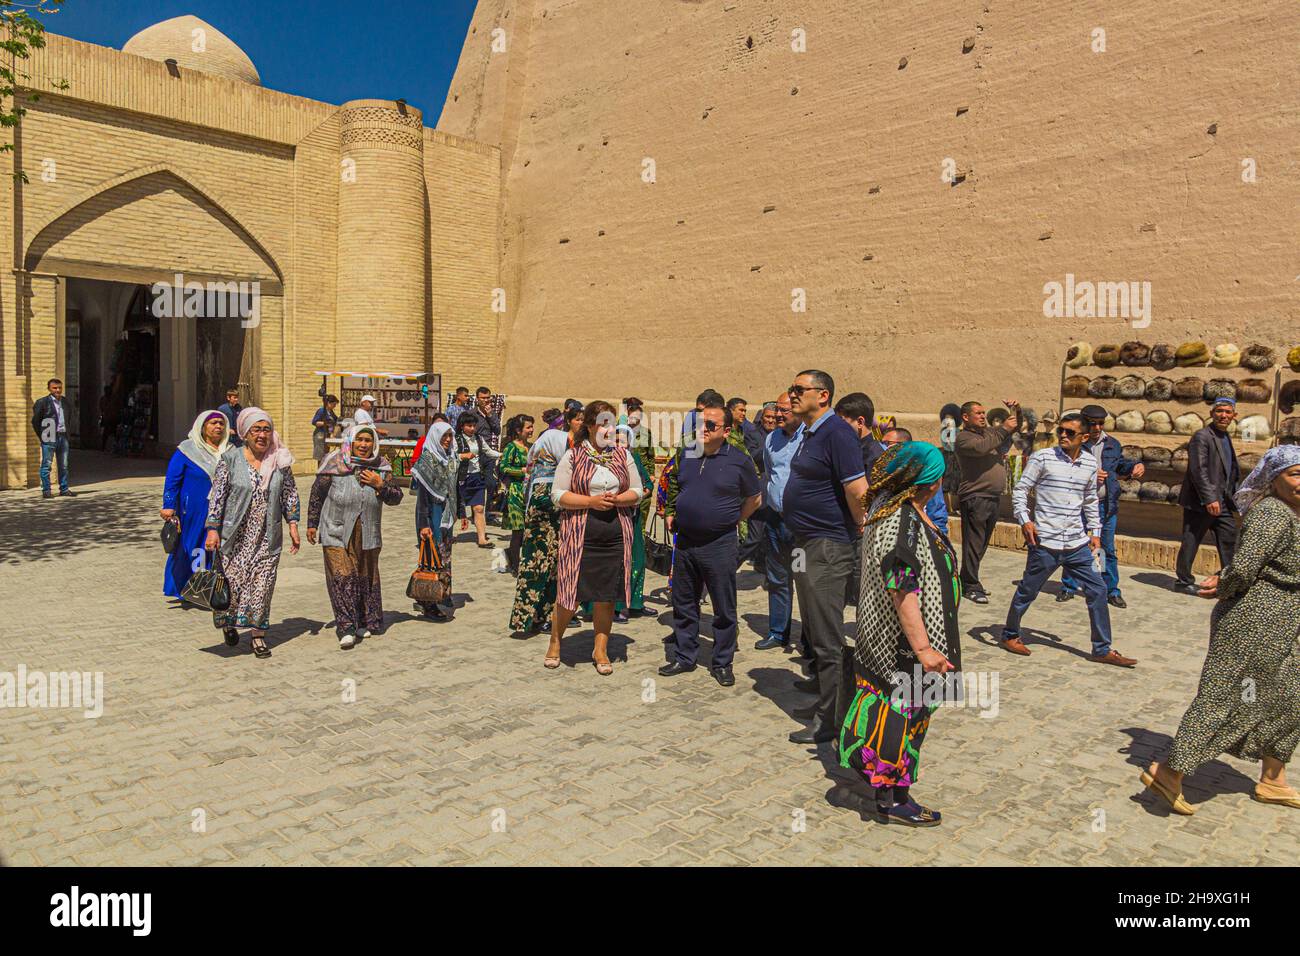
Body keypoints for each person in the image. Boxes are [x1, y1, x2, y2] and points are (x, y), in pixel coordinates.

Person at [1142, 445, 1300, 815]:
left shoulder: (1295, 513)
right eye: (1295, 474)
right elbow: (1243, 568)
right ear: (1273, 480)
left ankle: (1273, 780)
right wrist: (1223, 584)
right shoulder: (1272, 514)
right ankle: (1169, 771)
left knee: (1291, 696)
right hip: (1256, 617)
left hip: (1288, 619)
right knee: (1230, 694)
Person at [841, 442, 959, 827]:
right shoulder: (902, 521)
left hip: (893, 644)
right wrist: (923, 647)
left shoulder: (890, 507)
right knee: (899, 724)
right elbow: (900, 583)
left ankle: (890, 794)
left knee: (898, 721)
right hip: (901, 649)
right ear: (929, 481)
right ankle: (894, 800)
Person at [998, 413, 1137, 667]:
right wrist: (1024, 520)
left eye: (1069, 433)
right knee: (1028, 591)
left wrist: (1095, 532)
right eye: (1061, 431)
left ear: (1084, 437)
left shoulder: (1088, 464)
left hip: (1077, 544)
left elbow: (1090, 501)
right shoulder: (1043, 458)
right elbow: (1020, 490)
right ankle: (1010, 634)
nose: (1063, 435)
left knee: (1098, 589)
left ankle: (1102, 648)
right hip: (1046, 542)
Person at [784, 370, 870, 745]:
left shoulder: (837, 433)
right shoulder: (810, 433)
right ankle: (825, 700)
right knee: (813, 628)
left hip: (827, 546)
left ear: (823, 395)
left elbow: (857, 489)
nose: (792, 395)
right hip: (803, 545)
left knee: (827, 637)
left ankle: (833, 719)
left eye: (799, 390)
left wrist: (861, 528)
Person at [658, 403, 762, 685]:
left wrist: (731, 519)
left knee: (724, 606)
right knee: (684, 602)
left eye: (711, 426)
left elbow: (755, 498)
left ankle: (722, 662)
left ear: (727, 431)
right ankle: (684, 656)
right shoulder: (688, 453)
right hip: (686, 542)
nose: (703, 430)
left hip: (719, 544)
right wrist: (671, 510)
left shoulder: (739, 460)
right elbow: (674, 483)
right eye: (700, 424)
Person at [547, 401, 645, 674]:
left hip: (614, 536)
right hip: (581, 535)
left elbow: (638, 491)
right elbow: (557, 495)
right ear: (590, 426)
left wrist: (618, 498)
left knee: (606, 595)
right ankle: (556, 642)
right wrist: (590, 501)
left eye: (611, 423)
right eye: (603, 423)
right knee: (570, 592)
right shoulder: (574, 456)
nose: (608, 428)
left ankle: (600, 649)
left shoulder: (623, 455)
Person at [204, 408, 300, 659]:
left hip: (268, 536)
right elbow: (217, 496)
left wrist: (293, 523)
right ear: (245, 433)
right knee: (233, 586)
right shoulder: (230, 459)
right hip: (235, 536)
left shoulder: (280, 460)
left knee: (263, 585)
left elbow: (289, 492)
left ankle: (258, 636)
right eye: (256, 429)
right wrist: (212, 529)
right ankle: (229, 623)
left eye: (266, 429)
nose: (262, 435)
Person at [307, 425, 403, 648]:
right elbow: (317, 494)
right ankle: (346, 626)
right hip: (335, 530)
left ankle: (362, 620)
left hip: (367, 531)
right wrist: (312, 524)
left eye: (368, 440)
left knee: (364, 576)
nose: (363, 445)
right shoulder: (334, 463)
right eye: (359, 440)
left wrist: (380, 485)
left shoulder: (381, 467)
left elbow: (396, 498)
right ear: (350, 441)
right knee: (343, 576)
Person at [1059, 404, 1143, 607]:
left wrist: (1134, 467)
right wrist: (1090, 473)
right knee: (1074, 546)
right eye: (1092, 423)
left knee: (1106, 549)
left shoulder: (1112, 443)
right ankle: (1069, 586)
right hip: (1079, 505)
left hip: (1106, 504)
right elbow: (1063, 468)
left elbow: (1118, 465)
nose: (1097, 427)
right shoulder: (1074, 441)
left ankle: (1109, 589)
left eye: (1100, 423)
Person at [953, 399, 1020, 603]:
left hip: (992, 497)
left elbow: (1013, 426)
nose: (983, 416)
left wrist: (1016, 410)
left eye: (984, 413)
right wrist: (1002, 430)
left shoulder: (990, 433)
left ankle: (968, 578)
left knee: (981, 544)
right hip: (975, 497)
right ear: (966, 417)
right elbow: (982, 448)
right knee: (973, 543)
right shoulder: (963, 438)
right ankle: (971, 585)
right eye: (979, 413)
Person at [1174, 397, 1241, 595]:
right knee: (1191, 540)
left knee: (1229, 539)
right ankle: (1183, 581)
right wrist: (1209, 498)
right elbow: (1198, 470)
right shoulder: (1202, 436)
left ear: (1234, 416)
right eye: (1219, 411)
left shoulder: (1225, 437)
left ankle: (1230, 581)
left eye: (1228, 412)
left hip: (1223, 502)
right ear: (1212, 414)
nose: (1223, 415)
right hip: (1203, 502)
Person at [509, 421, 570, 634]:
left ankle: (544, 617)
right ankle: (526, 620)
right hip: (539, 539)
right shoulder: (544, 476)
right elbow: (544, 502)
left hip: (552, 536)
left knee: (551, 575)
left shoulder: (551, 471)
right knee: (536, 576)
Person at [161, 411, 230, 598]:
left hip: (223, 511)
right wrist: (168, 505)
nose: (218, 427)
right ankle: (191, 589)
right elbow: (172, 480)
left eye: (221, 423)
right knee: (193, 548)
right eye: (213, 423)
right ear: (202, 426)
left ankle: (217, 590)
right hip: (193, 511)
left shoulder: (230, 450)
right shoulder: (187, 450)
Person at [755, 391, 804, 651]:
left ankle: (809, 638)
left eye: (784, 410)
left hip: (800, 526)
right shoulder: (772, 438)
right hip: (774, 521)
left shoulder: (810, 438)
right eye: (777, 410)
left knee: (804, 578)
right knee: (777, 577)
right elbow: (769, 473)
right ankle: (778, 631)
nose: (778, 415)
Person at [837, 391, 886, 607]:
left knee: (861, 588)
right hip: (846, 528)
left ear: (860, 422)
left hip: (863, 530)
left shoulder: (874, 454)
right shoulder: (849, 448)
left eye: (842, 423)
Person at [411, 421, 457, 620]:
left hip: (446, 515)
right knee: (432, 558)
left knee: (444, 556)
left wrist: (460, 513)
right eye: (443, 436)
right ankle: (429, 603)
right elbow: (422, 498)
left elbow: (455, 489)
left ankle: (441, 593)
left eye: (450, 436)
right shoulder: (427, 460)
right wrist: (423, 525)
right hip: (432, 515)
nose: (447, 440)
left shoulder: (450, 458)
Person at [881, 428, 949, 535]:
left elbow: (937, 514)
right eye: (882, 443)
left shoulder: (927, 474)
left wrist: (939, 538)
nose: (884, 448)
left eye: (888, 443)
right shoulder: (883, 476)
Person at [454, 411, 502, 547]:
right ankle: (446, 535)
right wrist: (462, 456)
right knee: (454, 509)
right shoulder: (455, 439)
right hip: (461, 478)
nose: (472, 428)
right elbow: (450, 456)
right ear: (462, 426)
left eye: (474, 426)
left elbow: (488, 451)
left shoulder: (479, 438)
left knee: (479, 508)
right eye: (469, 425)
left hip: (477, 477)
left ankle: (481, 539)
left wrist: (501, 455)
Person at [499, 414, 534, 573]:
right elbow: (503, 468)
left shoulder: (532, 446)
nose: (531, 430)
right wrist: (521, 471)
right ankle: (515, 564)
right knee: (518, 530)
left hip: (529, 492)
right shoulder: (511, 447)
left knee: (528, 529)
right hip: (515, 492)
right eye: (528, 427)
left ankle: (513, 556)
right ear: (519, 430)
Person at [31, 378, 75, 498]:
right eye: (55, 388)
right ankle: (46, 490)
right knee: (46, 465)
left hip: (63, 436)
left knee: (64, 465)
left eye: (59, 388)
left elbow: (69, 418)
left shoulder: (65, 402)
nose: (58, 390)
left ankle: (64, 489)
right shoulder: (42, 402)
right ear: (49, 389)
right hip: (49, 437)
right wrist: (42, 435)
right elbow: (35, 421)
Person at [474, 386, 504, 519]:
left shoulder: (492, 414)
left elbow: (497, 431)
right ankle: (477, 511)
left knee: (491, 483)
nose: (486, 400)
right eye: (483, 398)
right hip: (475, 453)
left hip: (489, 453)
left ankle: (487, 511)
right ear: (477, 399)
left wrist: (490, 415)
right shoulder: (471, 414)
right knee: (476, 483)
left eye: (488, 397)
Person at [311, 394, 340, 460]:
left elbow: (336, 420)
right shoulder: (321, 411)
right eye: (334, 404)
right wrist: (326, 423)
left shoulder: (331, 412)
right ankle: (319, 469)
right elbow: (314, 422)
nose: (335, 406)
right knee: (320, 455)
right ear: (328, 403)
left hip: (327, 435)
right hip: (320, 435)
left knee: (326, 455)